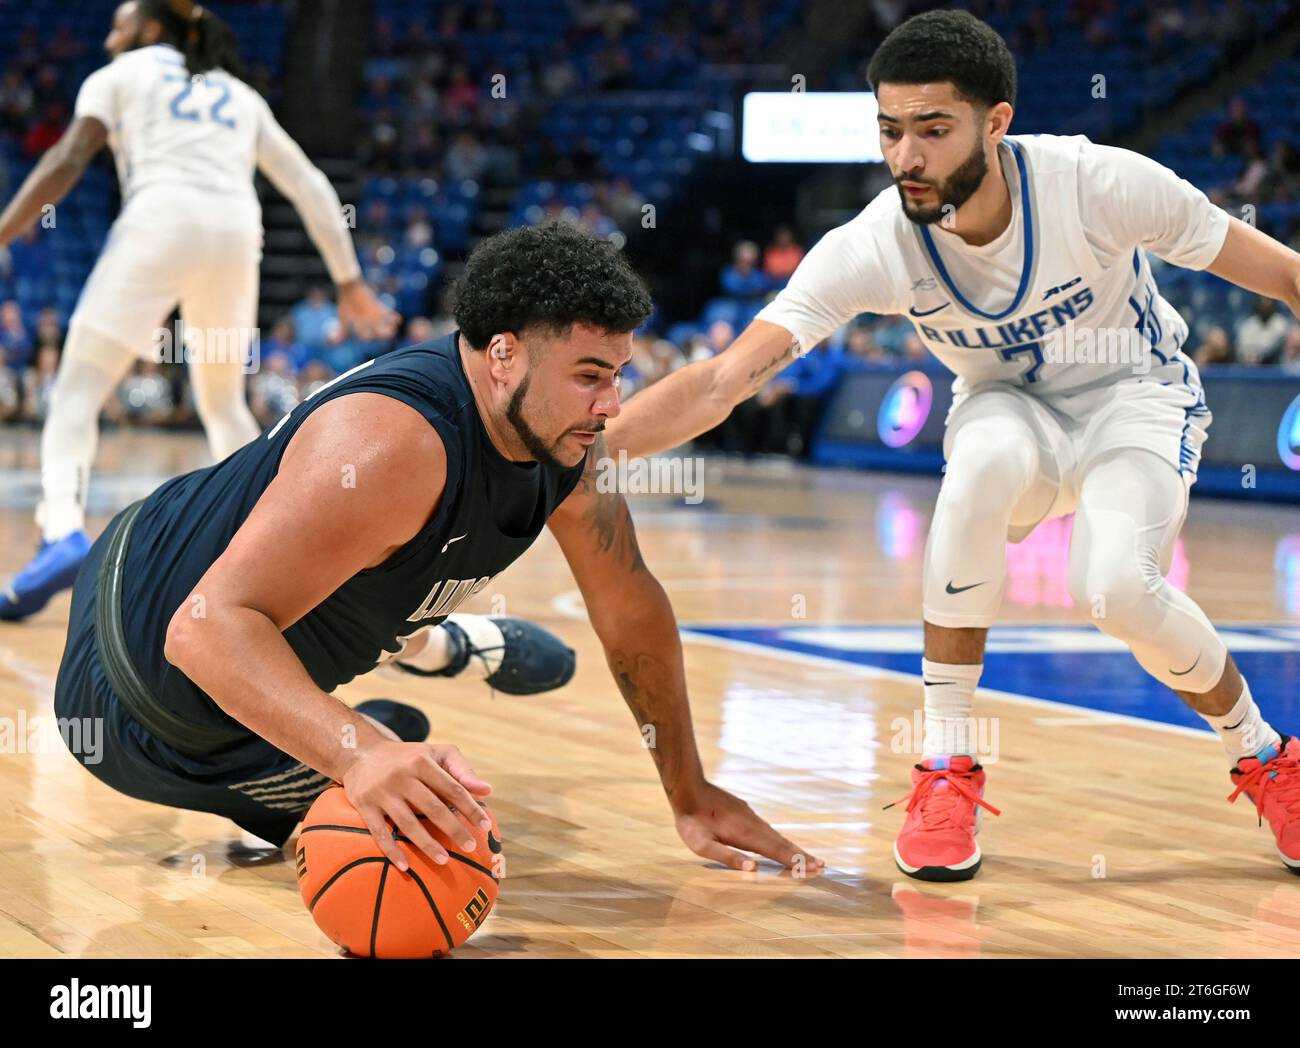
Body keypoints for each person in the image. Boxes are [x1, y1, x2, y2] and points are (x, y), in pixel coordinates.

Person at [603, 10, 1300, 880]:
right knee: (981, 459)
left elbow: (1282, 274)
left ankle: (1265, 753)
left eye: (933, 131)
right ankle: (946, 764)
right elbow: (723, 380)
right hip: (1011, 410)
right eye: (891, 131)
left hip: (1136, 399)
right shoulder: (875, 244)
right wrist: (588, 454)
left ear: (996, 122)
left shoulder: (1099, 183)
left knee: (1114, 588)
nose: (907, 157)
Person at [54, 222, 818, 875]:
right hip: (131, 683)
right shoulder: (392, 445)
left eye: (617, 375)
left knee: (414, 792)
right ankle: (443, 650)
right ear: (504, 355)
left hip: (238, 681)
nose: (613, 404)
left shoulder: (566, 445)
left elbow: (630, 610)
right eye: (590, 376)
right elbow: (203, 627)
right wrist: (358, 752)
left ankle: (410, 669)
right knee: (406, 820)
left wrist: (688, 788)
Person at [0, 0, 398, 619]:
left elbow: (67, 158)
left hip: (160, 221)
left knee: (75, 392)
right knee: (221, 404)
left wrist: (3, 231)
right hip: (236, 234)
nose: (109, 37)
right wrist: (350, 281)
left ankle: (61, 532)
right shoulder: (240, 95)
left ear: (152, 28)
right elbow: (311, 185)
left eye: (120, 23)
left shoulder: (118, 76)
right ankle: (276, 544)